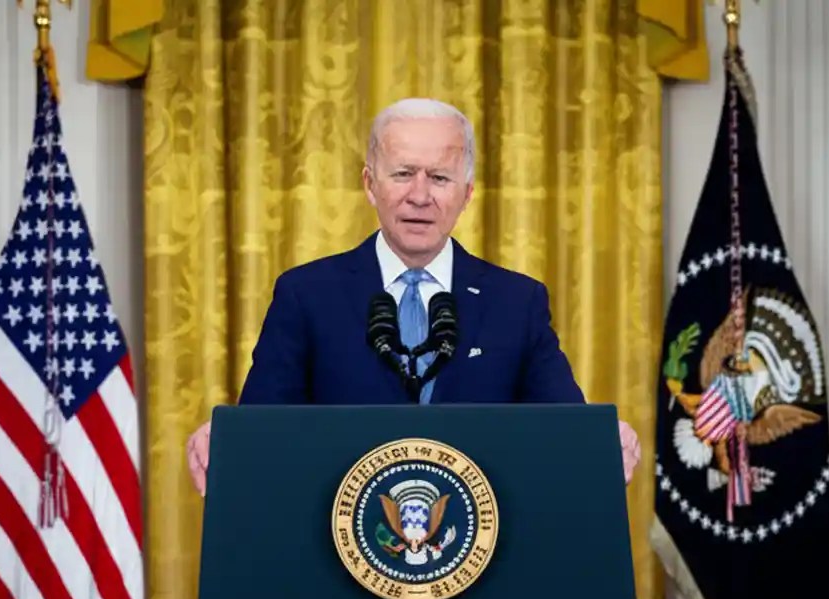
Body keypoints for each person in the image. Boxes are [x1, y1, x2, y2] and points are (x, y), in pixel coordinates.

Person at [186, 97, 641, 493]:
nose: (419, 196)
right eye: (403, 174)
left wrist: (601, 440)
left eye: (439, 178)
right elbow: (262, 431)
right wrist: (227, 442)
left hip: (481, 546)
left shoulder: (516, 302)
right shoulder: (306, 295)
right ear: (370, 184)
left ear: (467, 193)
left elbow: (564, 429)